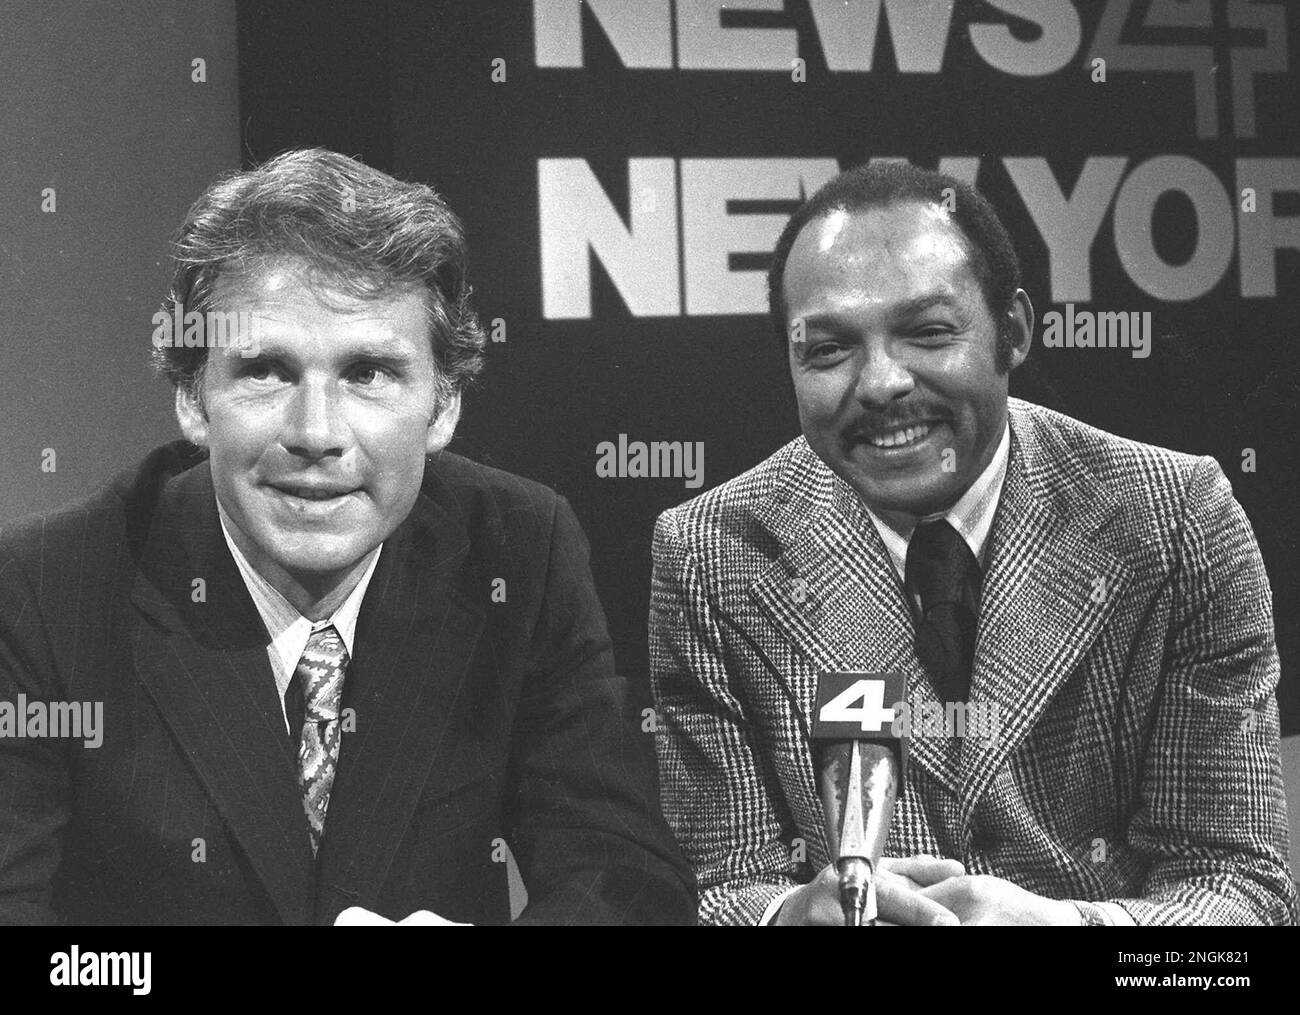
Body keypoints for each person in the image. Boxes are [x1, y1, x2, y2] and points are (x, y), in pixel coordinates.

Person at [0, 148, 695, 926]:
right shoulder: (47, 591)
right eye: (266, 369)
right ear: (194, 398)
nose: (317, 433)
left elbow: (623, 870)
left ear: (442, 407)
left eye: (368, 373)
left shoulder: (519, 550)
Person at [648, 161, 1296, 926]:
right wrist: (787, 915)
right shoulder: (709, 552)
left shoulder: (1177, 519)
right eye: (828, 350)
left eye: (927, 332)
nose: (882, 382)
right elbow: (717, 890)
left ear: (1012, 331)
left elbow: (1244, 898)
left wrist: (1070, 932)